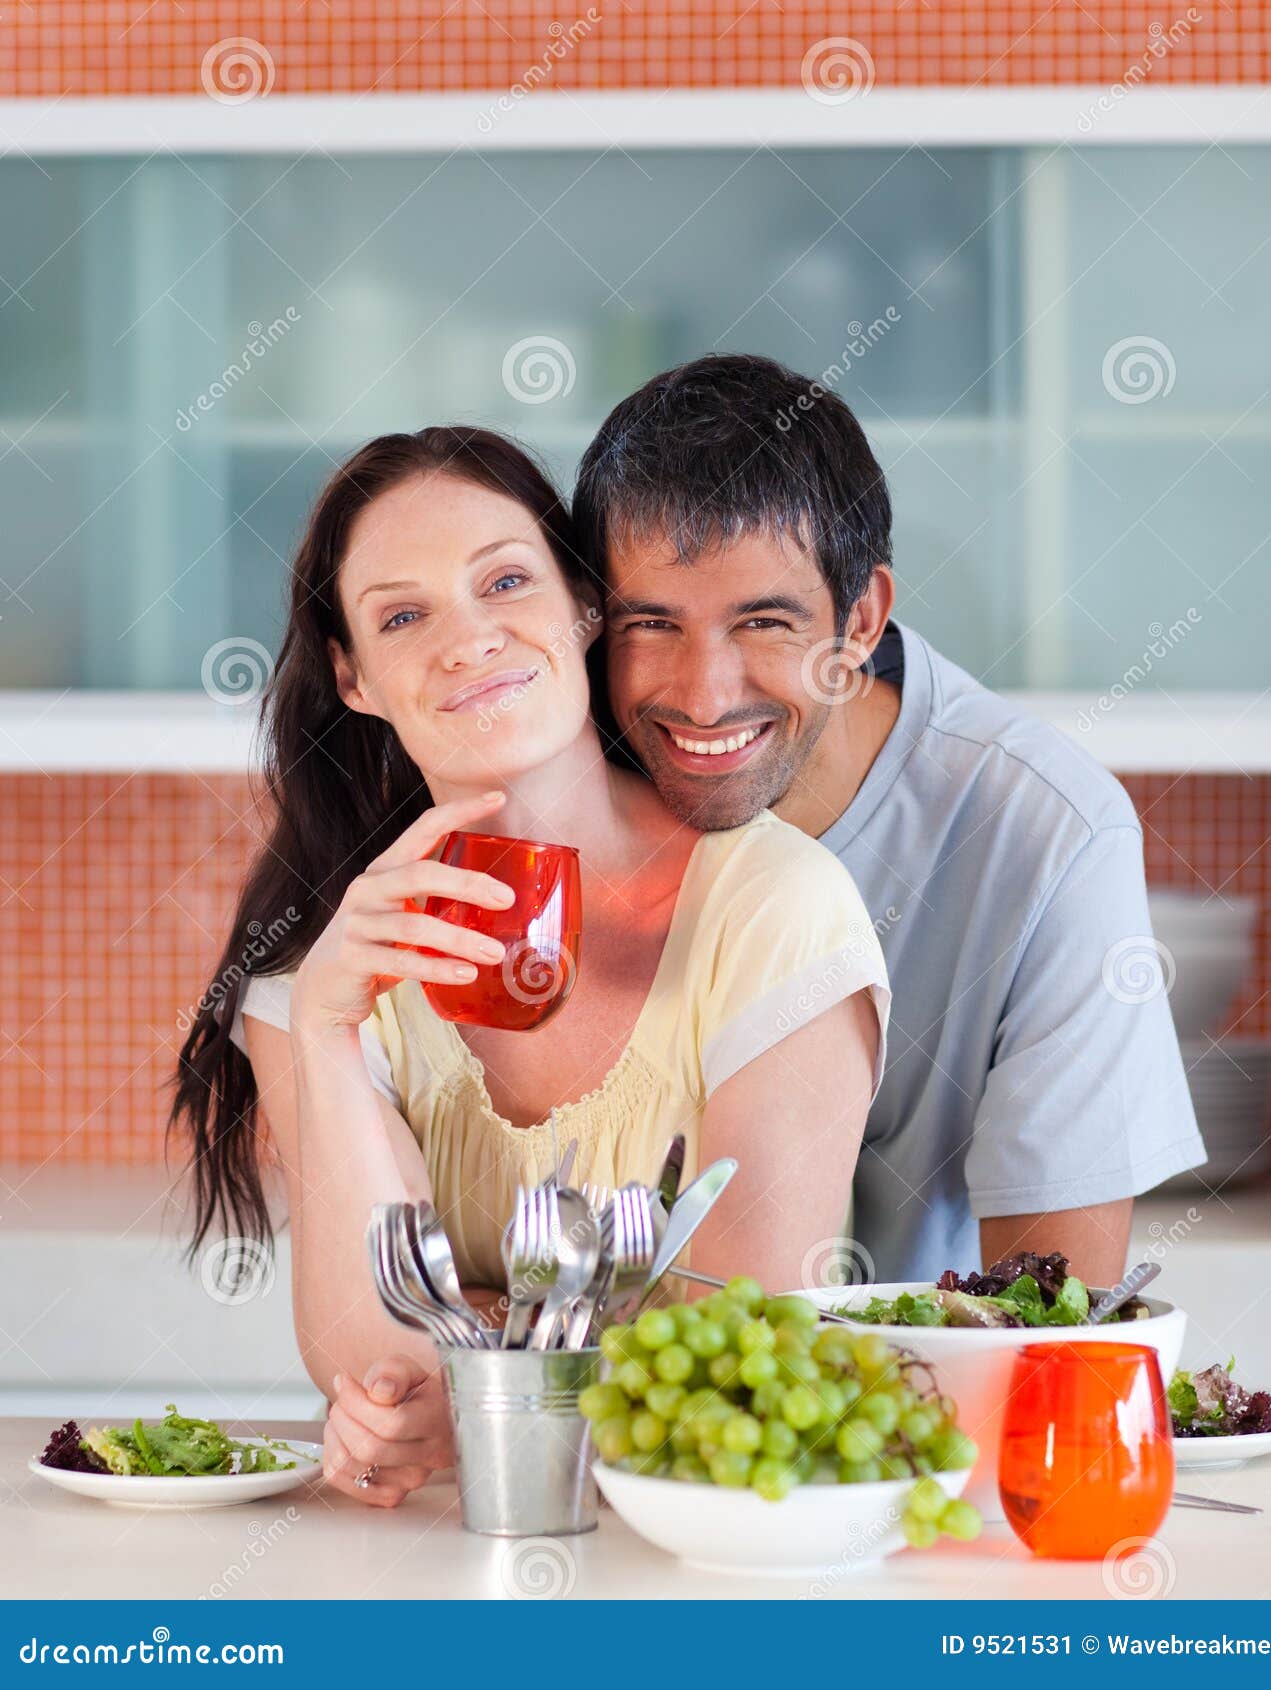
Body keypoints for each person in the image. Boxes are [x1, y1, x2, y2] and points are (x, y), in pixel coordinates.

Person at [169, 426, 887, 1507]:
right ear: (353, 675)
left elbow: (737, 1348)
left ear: (583, 608)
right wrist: (321, 1033)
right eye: (403, 615)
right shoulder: (324, 958)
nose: (467, 641)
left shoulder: (776, 908)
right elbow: (384, 1369)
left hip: (703, 1556)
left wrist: (488, 1368)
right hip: (446, 1567)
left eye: (505, 581)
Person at [572, 353, 1207, 1290]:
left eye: (764, 624)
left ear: (860, 618)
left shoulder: (1046, 833)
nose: (702, 699)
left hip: (924, 1420)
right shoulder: (559, 781)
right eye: (650, 625)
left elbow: (1046, 1319)